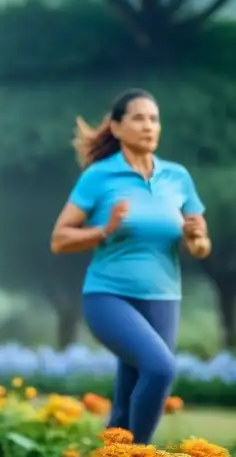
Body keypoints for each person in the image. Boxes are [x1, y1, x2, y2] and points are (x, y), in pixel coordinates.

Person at [50, 88, 211, 445]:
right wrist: (104, 230)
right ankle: (138, 453)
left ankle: (115, 450)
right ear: (118, 128)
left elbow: (200, 246)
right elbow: (59, 239)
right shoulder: (99, 177)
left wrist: (195, 236)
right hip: (109, 296)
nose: (148, 126)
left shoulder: (178, 177)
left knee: (125, 402)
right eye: (138, 118)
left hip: (164, 298)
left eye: (154, 119)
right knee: (160, 368)